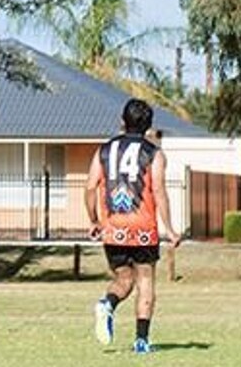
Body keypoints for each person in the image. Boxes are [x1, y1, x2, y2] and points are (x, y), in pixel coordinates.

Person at [85, 98, 181, 355]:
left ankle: (108, 303)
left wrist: (94, 220)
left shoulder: (103, 150)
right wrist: (170, 229)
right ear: (149, 126)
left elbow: (90, 186)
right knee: (145, 281)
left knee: (123, 278)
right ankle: (141, 341)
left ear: (122, 122)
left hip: (113, 227)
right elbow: (159, 191)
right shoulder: (155, 154)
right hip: (143, 228)